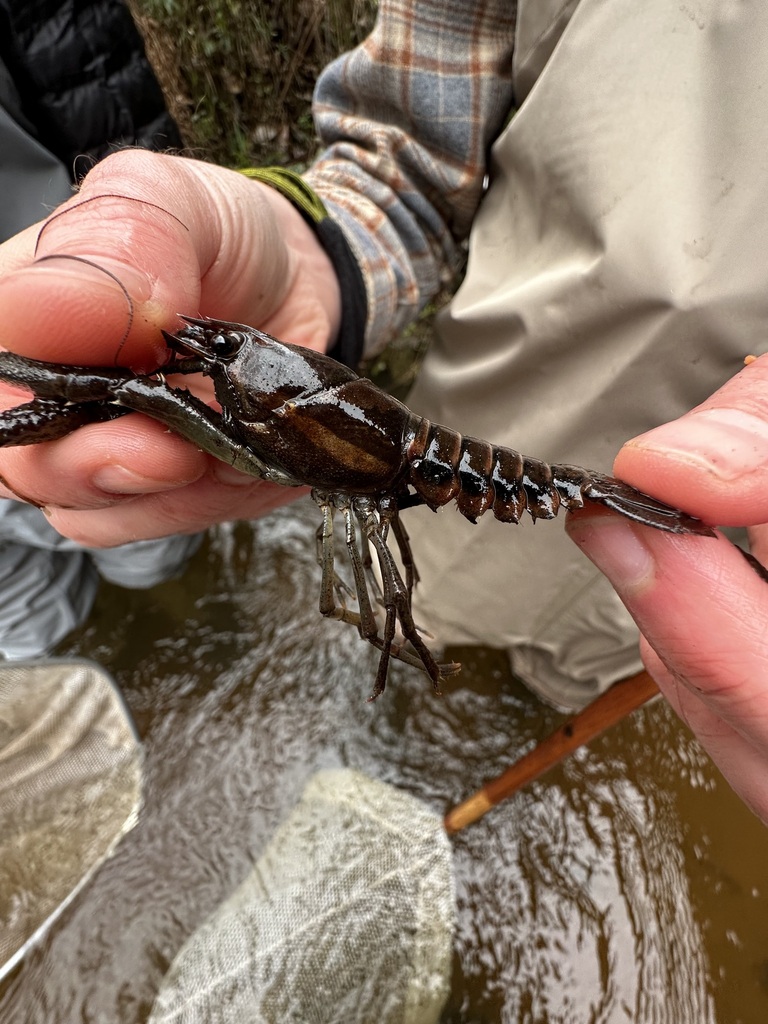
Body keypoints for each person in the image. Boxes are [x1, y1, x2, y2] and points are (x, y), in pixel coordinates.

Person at [0, 0, 765, 823]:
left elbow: (143, 391)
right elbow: (403, 166)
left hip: (654, 524)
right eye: (229, 349)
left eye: (224, 353)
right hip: (524, 470)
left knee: (628, 647)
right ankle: (469, 679)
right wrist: (315, 251)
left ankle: (517, 684)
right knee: (495, 613)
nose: (210, 354)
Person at [0, 0, 200, 657]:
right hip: (82, 341)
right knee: (26, 612)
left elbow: (98, 73)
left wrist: (154, 209)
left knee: (146, 521)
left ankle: (171, 632)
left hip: (95, 309)